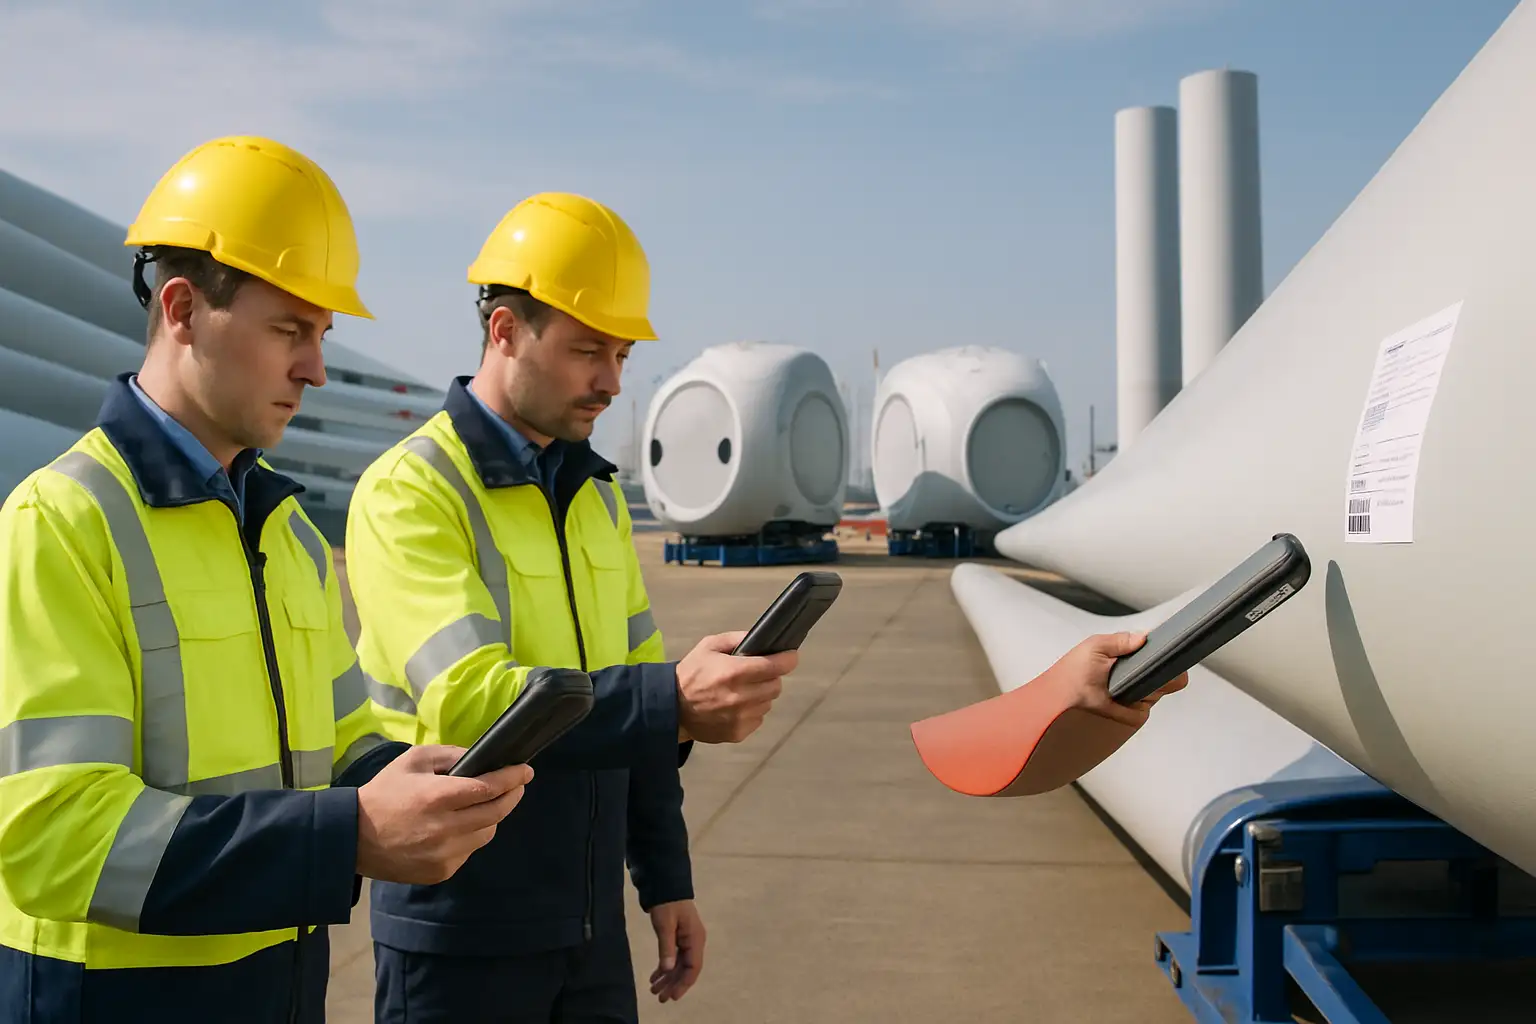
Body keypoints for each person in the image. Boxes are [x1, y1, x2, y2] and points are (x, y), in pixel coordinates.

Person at [0, 135, 533, 1024]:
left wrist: (406, 776)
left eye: (320, 335)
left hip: (278, 985)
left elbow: (340, 740)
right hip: (109, 1000)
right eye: (289, 329)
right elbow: (57, 839)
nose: (315, 368)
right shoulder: (61, 524)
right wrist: (350, 833)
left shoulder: (283, 535)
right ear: (181, 309)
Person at [344, 191, 796, 1023]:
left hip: (588, 936)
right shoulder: (412, 490)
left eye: (622, 352)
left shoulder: (596, 496)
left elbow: (634, 695)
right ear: (504, 330)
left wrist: (666, 880)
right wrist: (675, 701)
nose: (613, 382)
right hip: (462, 934)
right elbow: (472, 702)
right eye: (590, 350)